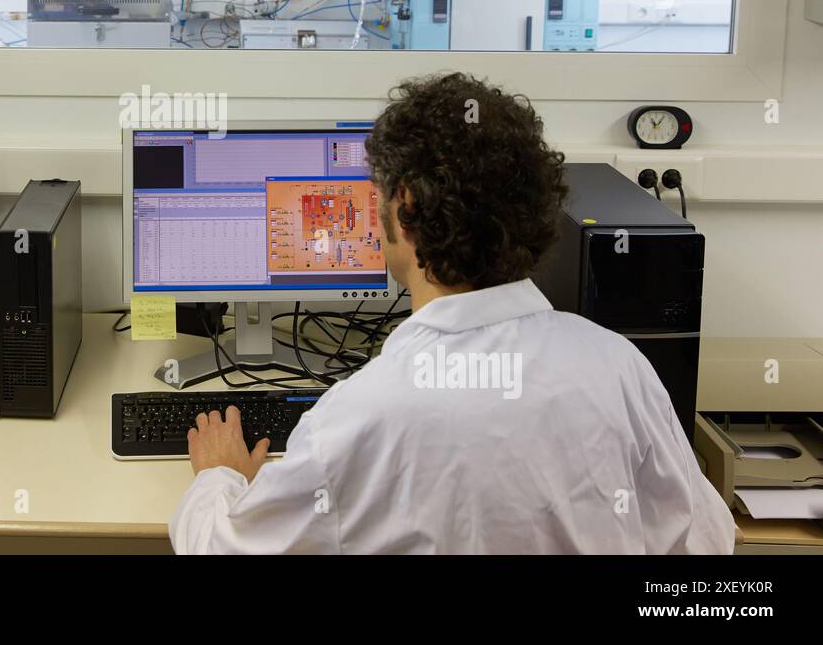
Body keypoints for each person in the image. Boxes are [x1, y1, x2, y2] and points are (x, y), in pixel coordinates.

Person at [169, 72, 734, 554]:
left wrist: (220, 477)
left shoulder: (360, 417)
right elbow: (708, 538)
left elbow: (223, 548)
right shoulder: (620, 365)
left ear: (405, 205)